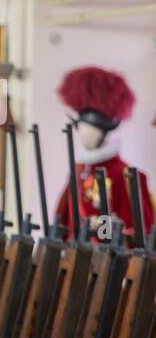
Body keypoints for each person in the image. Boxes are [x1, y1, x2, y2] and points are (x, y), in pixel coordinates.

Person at [52, 65, 154, 241]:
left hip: (107, 264)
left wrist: (106, 228)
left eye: (88, 128)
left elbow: (141, 233)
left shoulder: (126, 175)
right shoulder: (79, 170)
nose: (81, 134)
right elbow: (63, 223)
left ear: (103, 131)